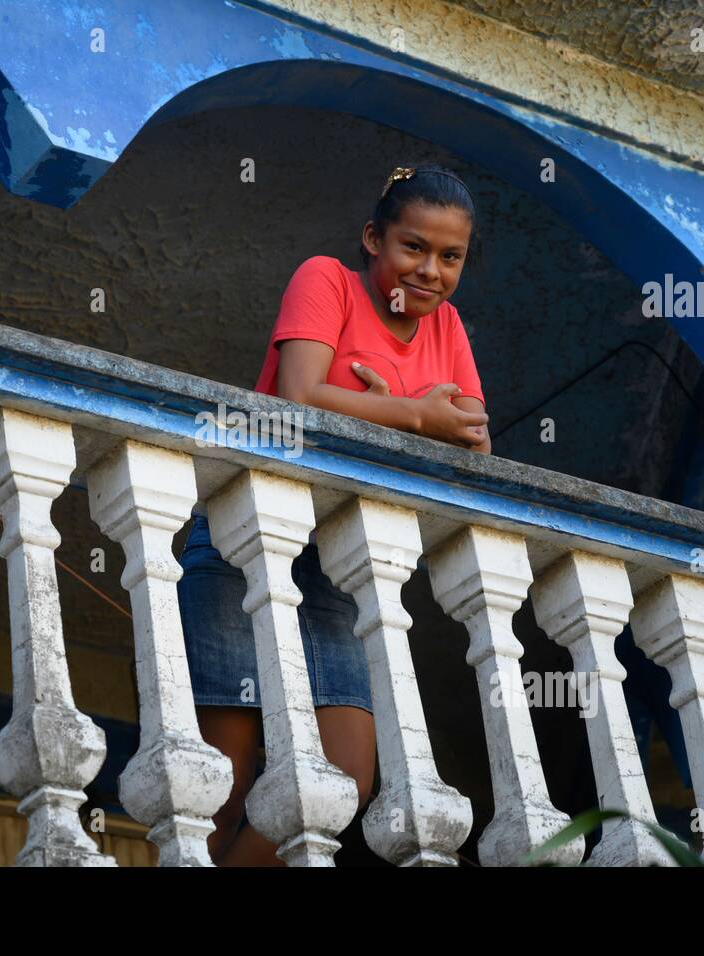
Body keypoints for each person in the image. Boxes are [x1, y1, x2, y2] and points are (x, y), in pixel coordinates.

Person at [176, 163, 490, 865]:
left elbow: (475, 439)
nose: (431, 271)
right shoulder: (327, 281)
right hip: (245, 541)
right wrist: (412, 414)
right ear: (372, 238)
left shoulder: (446, 326)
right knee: (216, 785)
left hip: (343, 571)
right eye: (414, 247)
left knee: (342, 783)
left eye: (451, 257)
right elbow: (298, 398)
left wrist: (387, 415)